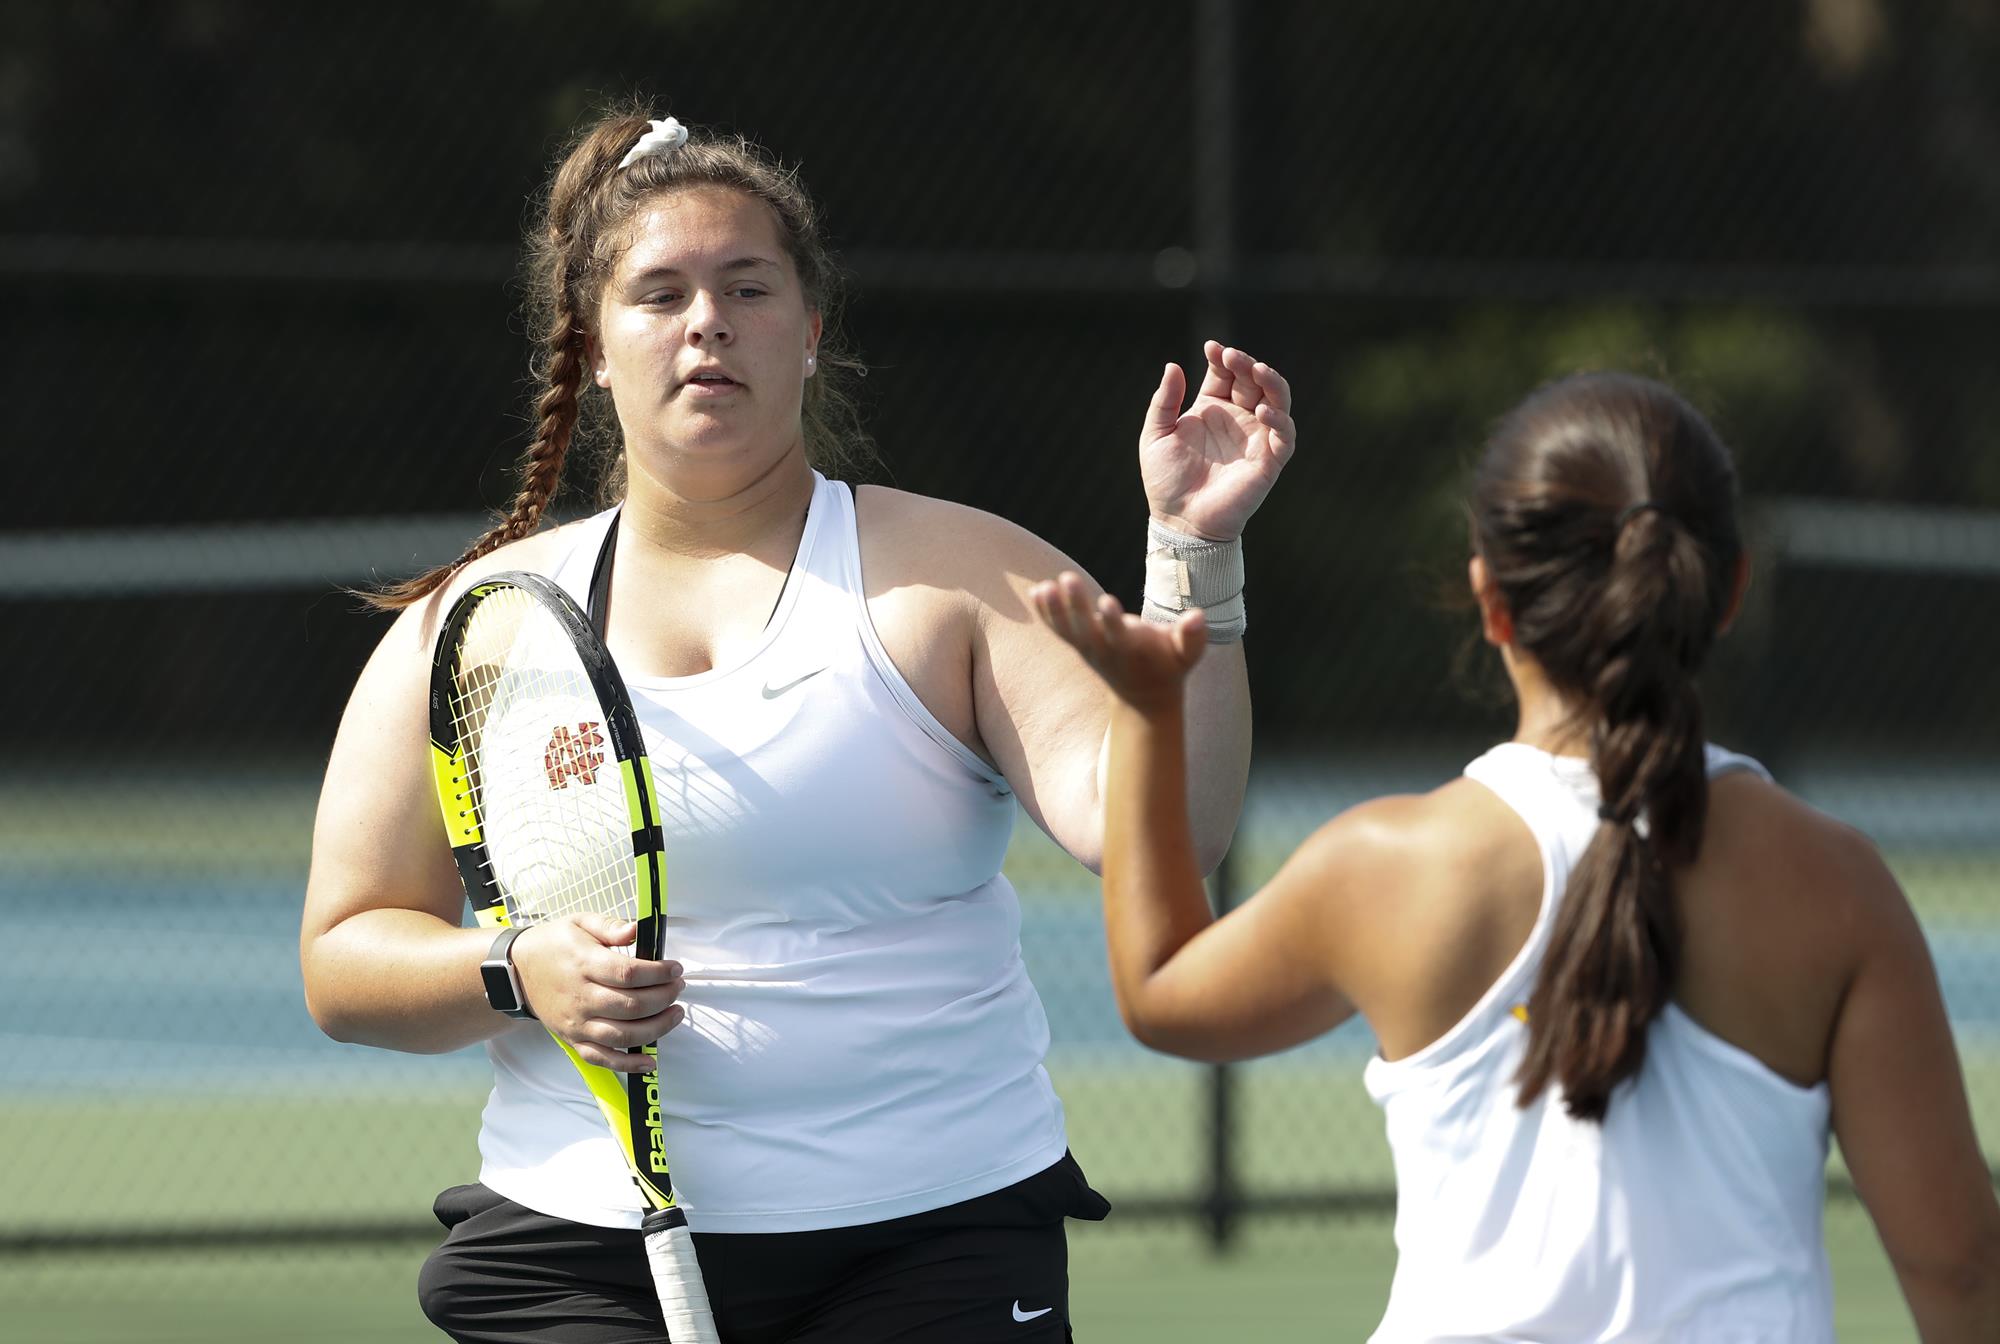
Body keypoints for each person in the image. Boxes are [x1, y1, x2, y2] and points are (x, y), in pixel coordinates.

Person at [299, 105, 1294, 1344]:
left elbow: (1168, 834)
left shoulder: (957, 576)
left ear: (811, 330)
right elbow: (344, 958)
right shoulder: (481, 625)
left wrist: (1194, 555)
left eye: (747, 286)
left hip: (939, 1239)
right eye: (657, 293)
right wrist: (514, 970)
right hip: (578, 1255)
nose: (706, 319)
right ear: (595, 347)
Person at [1030, 371, 2000, 1343]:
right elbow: (1957, 1270)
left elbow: (1159, 991)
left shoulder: (1388, 865)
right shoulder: (1831, 885)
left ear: (1489, 600)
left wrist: (1154, 711)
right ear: (1727, 591)